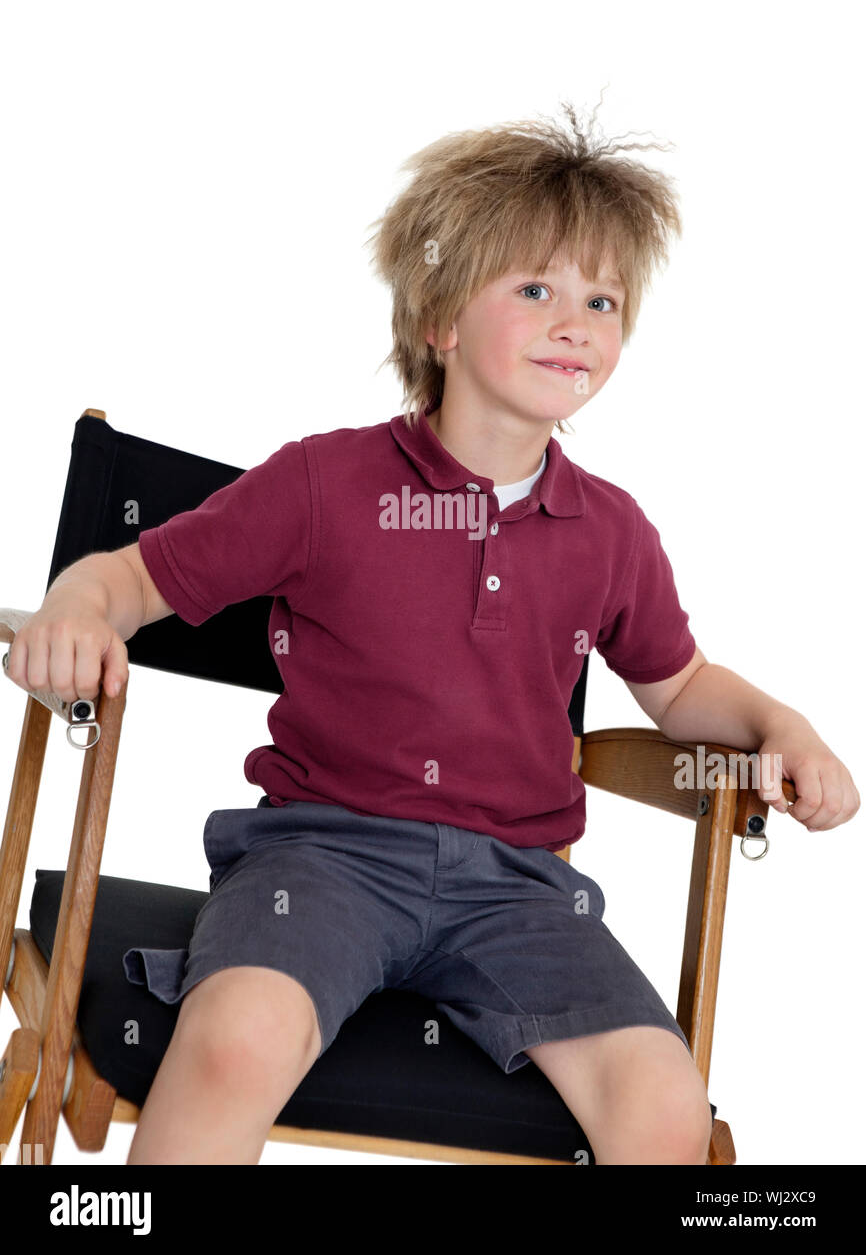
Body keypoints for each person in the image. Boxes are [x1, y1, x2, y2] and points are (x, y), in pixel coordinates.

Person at [7, 101, 859, 1166]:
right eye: (536, 288)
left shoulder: (610, 533)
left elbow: (680, 689)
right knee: (236, 1039)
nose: (575, 321)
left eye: (602, 298)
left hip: (518, 886)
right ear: (440, 322)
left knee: (663, 1103)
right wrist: (77, 612)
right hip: (320, 859)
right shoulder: (324, 484)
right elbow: (130, 577)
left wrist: (784, 728)